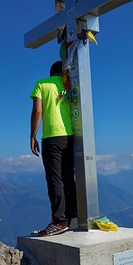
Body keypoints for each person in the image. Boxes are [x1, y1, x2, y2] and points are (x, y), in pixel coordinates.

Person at [29, 60, 82, 236]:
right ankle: (73, 216)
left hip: (52, 138)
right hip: (70, 137)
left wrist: (32, 135)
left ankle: (58, 221)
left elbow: (37, 111)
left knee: (54, 179)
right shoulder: (69, 85)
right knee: (68, 177)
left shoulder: (41, 84)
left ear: (50, 73)